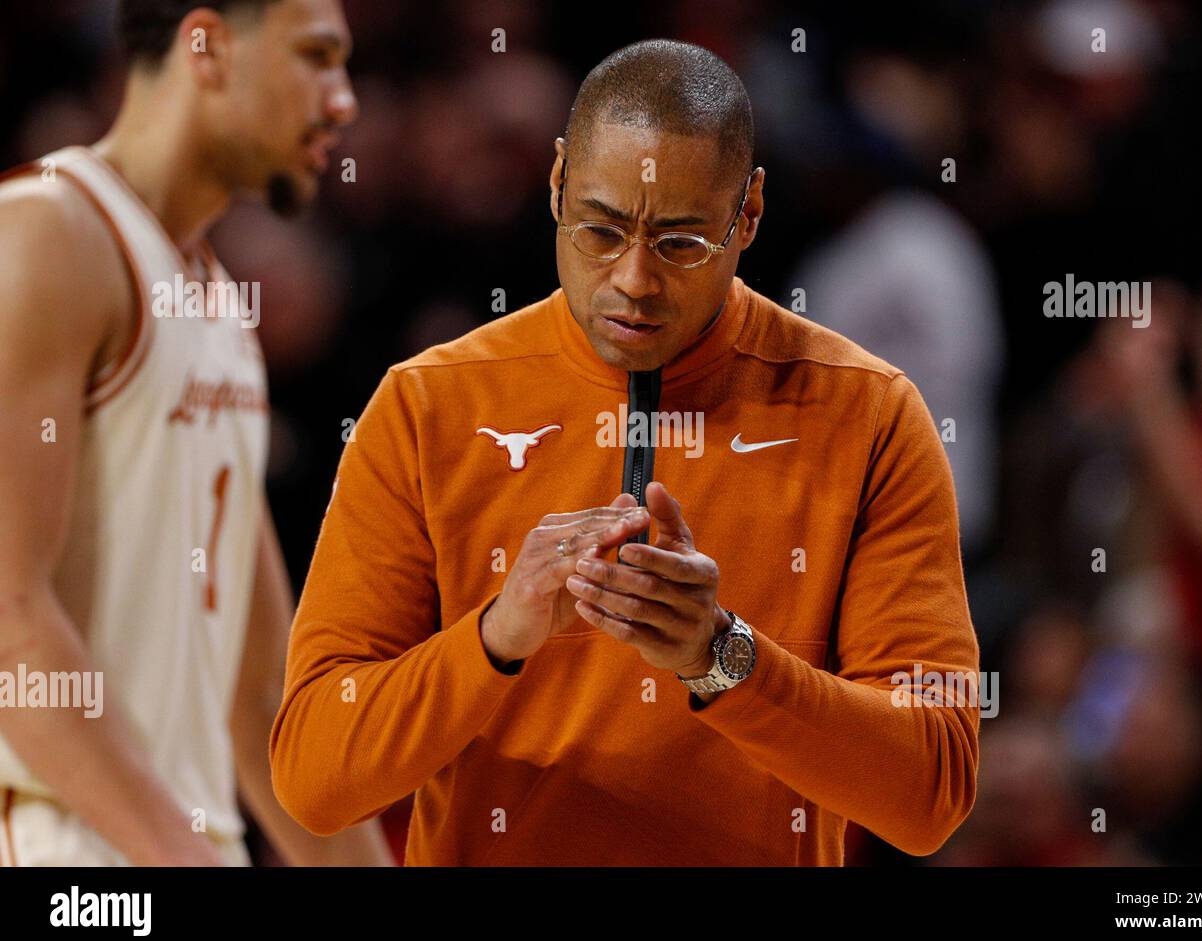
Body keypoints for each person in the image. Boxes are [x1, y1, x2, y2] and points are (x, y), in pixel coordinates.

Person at [271, 39, 981, 865]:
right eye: (601, 230)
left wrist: (721, 658)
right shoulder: (427, 404)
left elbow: (932, 790)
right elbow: (314, 778)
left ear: (747, 213)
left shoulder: (870, 414)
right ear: (557, 182)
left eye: (681, 243)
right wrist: (496, 636)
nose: (635, 280)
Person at [0, 0, 390, 866]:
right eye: (318, 57)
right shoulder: (48, 231)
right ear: (205, 47)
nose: (343, 101)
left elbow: (257, 703)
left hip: (164, 847)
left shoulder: (217, 305)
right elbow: (8, 624)